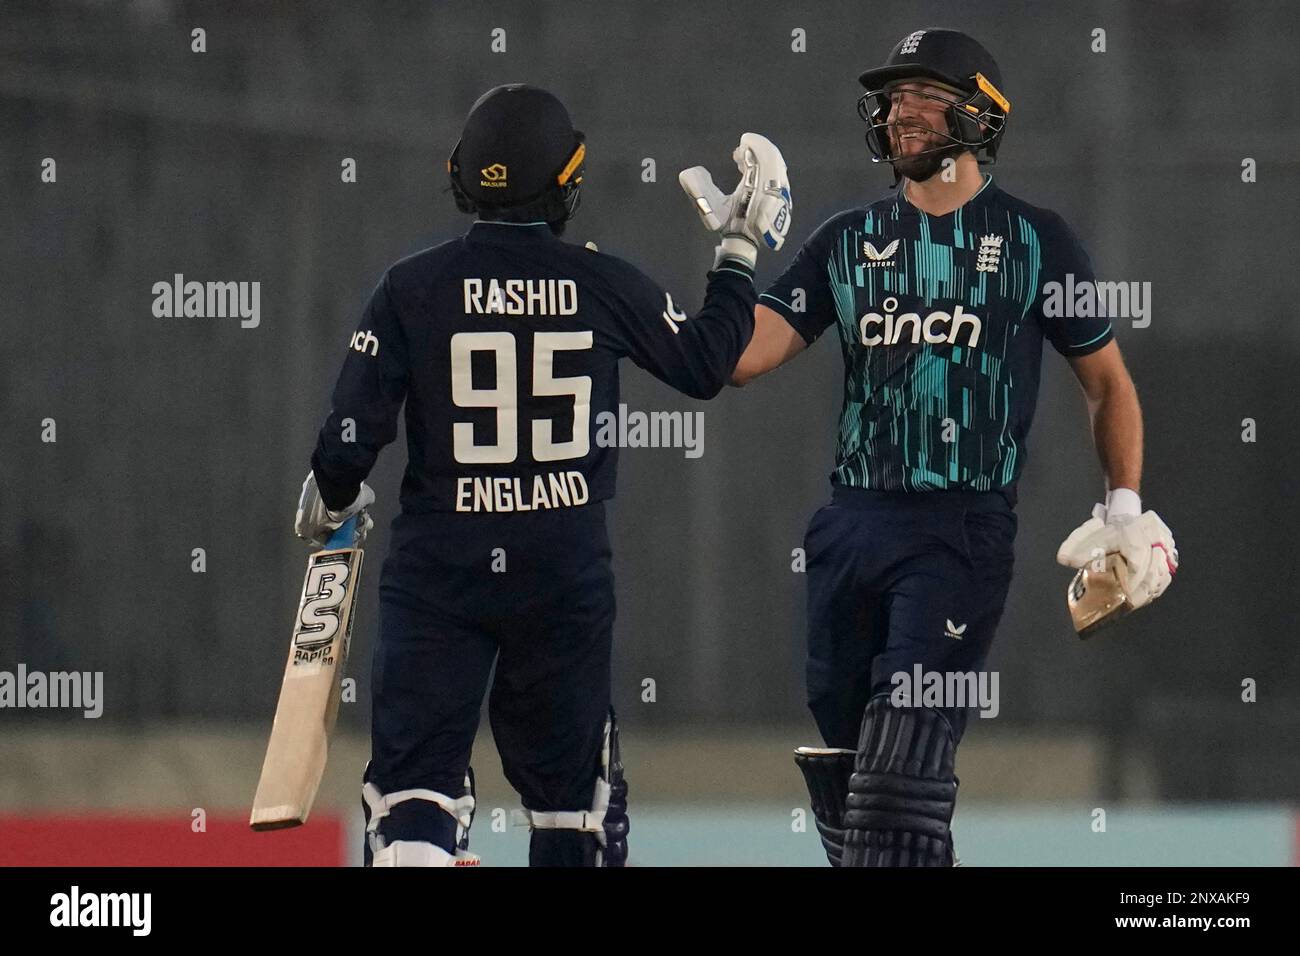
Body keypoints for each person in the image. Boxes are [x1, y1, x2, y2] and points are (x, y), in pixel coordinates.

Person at [293, 83, 792, 866]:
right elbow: (706, 363)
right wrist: (738, 252)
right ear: (570, 184)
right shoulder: (604, 284)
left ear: (460, 175)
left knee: (413, 792)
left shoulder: (410, 288)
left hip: (439, 576)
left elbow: (352, 431)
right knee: (571, 812)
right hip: (560, 579)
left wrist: (332, 489)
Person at [727, 29, 1177, 866]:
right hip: (849, 527)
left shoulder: (1038, 241)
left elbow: (1108, 382)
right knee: (857, 783)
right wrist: (733, 258)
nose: (901, 111)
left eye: (923, 95)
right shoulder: (843, 240)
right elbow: (744, 358)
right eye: (895, 97)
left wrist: (1124, 506)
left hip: (959, 531)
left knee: (898, 782)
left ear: (978, 116)